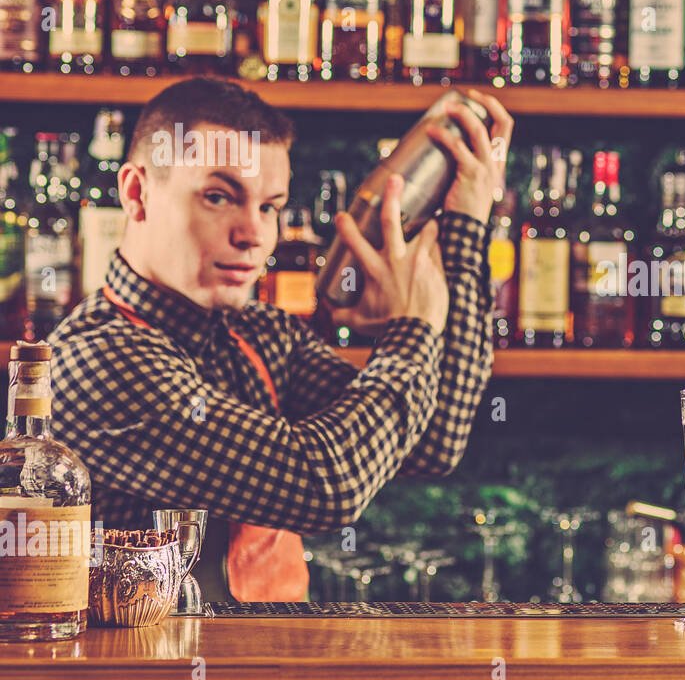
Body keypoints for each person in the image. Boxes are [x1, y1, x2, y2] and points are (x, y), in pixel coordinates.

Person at [48, 77, 513, 602]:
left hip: (277, 669)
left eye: (269, 206)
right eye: (219, 197)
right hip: (156, 676)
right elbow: (324, 488)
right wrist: (410, 332)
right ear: (137, 193)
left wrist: (466, 228)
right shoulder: (97, 360)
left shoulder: (262, 333)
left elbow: (432, 443)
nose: (253, 234)